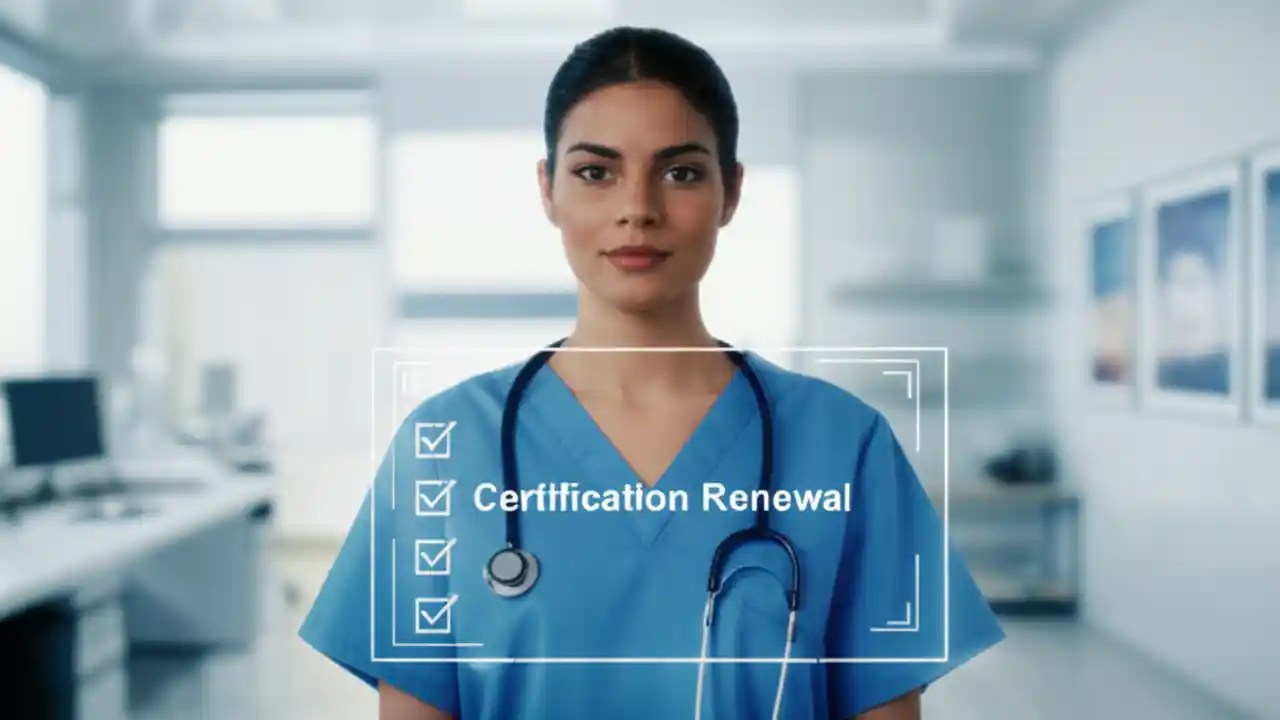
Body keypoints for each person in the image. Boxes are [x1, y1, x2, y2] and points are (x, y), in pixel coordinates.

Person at [300, 26, 1004, 719]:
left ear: (730, 191)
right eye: (595, 171)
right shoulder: (444, 448)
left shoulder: (843, 444)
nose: (637, 209)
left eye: (681, 172)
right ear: (548, 190)